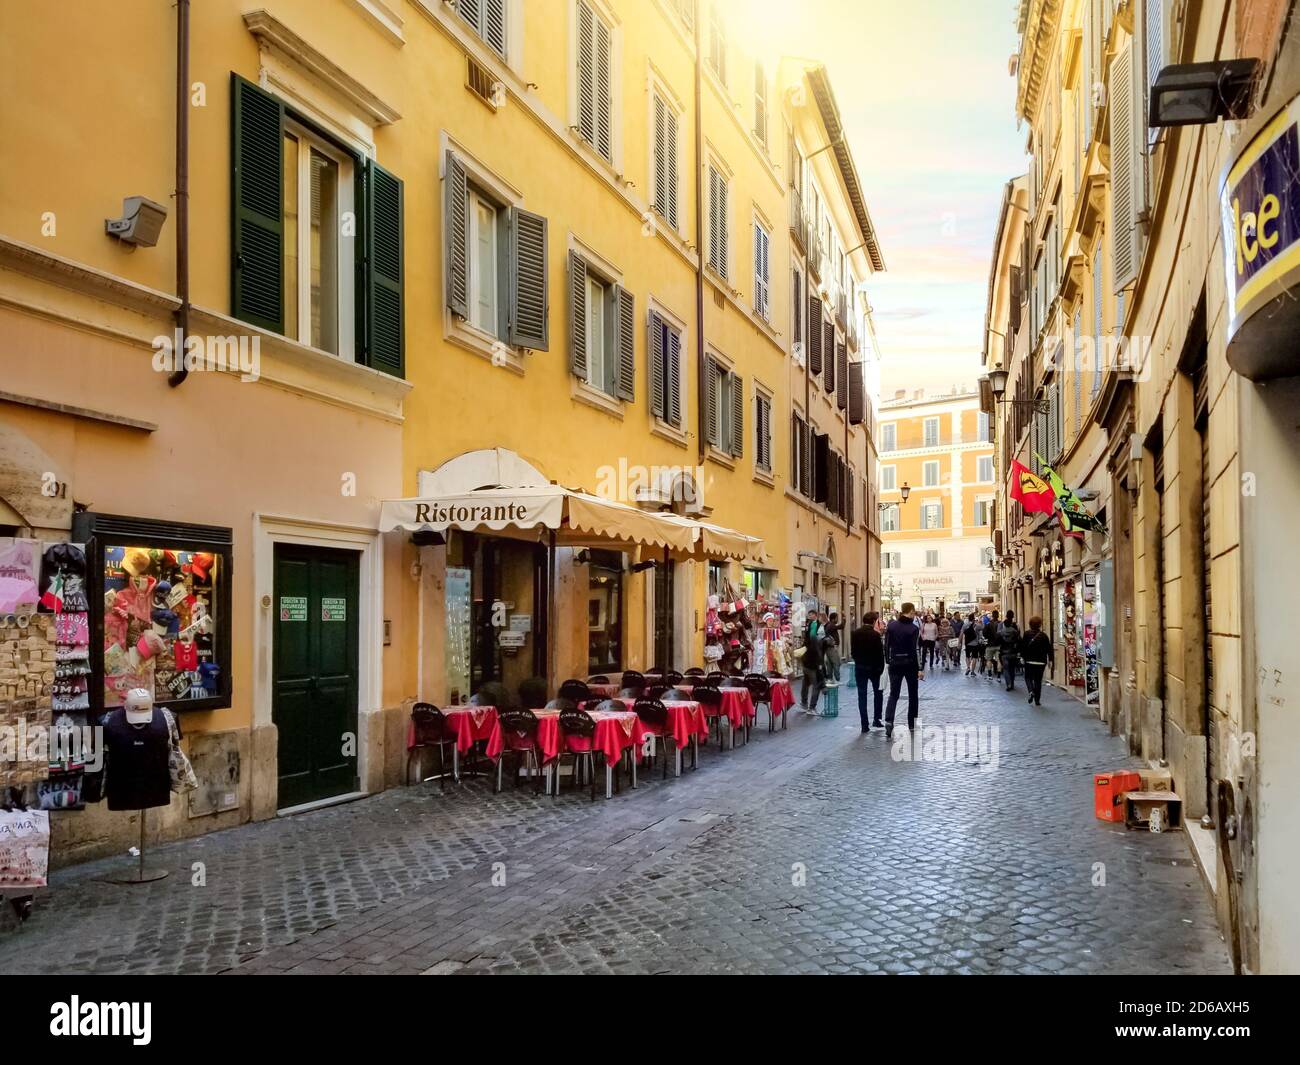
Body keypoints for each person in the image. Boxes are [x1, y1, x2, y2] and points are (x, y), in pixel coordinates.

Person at [883, 602, 924, 739]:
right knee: (913, 694)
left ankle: (889, 720)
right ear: (911, 611)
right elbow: (915, 649)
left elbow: (886, 644)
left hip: (895, 662)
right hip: (910, 663)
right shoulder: (913, 628)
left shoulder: (892, 626)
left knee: (893, 693)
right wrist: (919, 668)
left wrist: (889, 660)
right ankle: (912, 723)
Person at [851, 610, 885, 733]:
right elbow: (880, 654)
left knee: (862, 695)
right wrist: (880, 669)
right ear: (873, 621)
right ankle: (877, 719)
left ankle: (864, 724)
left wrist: (858, 662)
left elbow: (853, 652)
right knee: (878, 693)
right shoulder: (875, 635)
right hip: (874, 669)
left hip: (860, 667)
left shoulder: (855, 633)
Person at [1019, 616, 1052, 706]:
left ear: (1030, 624)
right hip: (1041, 662)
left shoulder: (1026, 634)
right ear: (1040, 625)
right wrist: (1051, 660)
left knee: (1028, 677)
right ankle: (1037, 700)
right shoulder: (1044, 636)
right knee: (1038, 680)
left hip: (1029, 661)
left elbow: (1023, 647)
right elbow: (1049, 649)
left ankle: (1030, 691)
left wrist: (1022, 657)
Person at [800, 612, 824, 715]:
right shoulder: (817, 641)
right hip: (812, 666)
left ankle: (803, 703)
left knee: (805, 683)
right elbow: (818, 658)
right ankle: (811, 707)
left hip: (806, 664)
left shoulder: (809, 640)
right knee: (816, 686)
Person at [999, 610, 1022, 691]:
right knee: (1012, 668)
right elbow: (1019, 640)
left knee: (1006, 669)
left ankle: (1008, 684)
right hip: (1013, 652)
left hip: (1004, 653)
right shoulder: (1015, 629)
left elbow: (998, 641)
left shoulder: (1001, 632)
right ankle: (1012, 683)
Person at [823, 610, 843, 684]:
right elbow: (841, 626)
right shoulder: (831, 625)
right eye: (837, 618)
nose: (837, 620)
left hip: (829, 647)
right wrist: (844, 618)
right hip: (832, 647)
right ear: (833, 619)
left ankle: (830, 678)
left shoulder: (829, 625)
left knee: (830, 663)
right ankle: (837, 679)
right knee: (836, 662)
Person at [982, 609, 1002, 680]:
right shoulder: (1001, 624)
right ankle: (999, 676)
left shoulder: (988, 624)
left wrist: (988, 637)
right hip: (999, 645)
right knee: (999, 660)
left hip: (990, 644)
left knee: (989, 660)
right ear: (998, 616)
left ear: (992, 616)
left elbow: (984, 634)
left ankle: (990, 675)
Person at [963, 611, 981, 675]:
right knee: (974, 657)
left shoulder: (965, 625)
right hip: (975, 644)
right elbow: (981, 632)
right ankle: (973, 671)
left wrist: (960, 642)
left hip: (967, 643)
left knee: (967, 656)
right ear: (974, 618)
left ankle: (968, 668)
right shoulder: (977, 625)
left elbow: (962, 634)